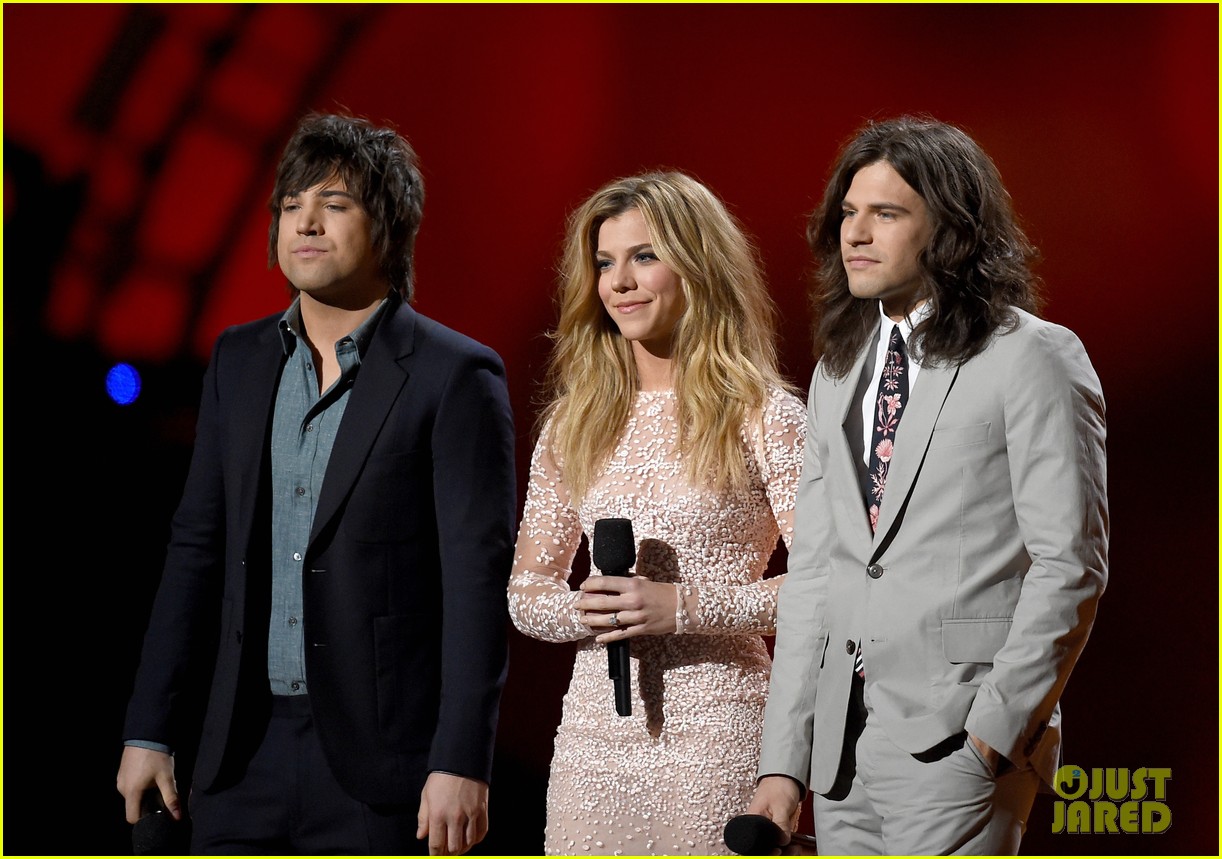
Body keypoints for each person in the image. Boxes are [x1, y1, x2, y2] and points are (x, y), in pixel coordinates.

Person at [115, 112, 517, 855]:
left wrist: (461, 757)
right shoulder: (237, 360)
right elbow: (196, 550)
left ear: (389, 228)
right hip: (237, 754)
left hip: (382, 769)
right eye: (291, 205)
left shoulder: (454, 375)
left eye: (334, 204)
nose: (305, 222)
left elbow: (476, 582)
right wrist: (150, 727)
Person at [746, 115, 1109, 854]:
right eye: (849, 212)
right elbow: (814, 571)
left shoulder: (1033, 357)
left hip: (959, 741)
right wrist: (784, 761)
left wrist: (994, 731)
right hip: (840, 754)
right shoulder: (838, 370)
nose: (855, 233)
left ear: (947, 229)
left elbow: (1071, 563)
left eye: (885, 213)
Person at [508, 171, 806, 855]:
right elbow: (526, 593)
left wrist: (684, 606)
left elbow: (827, 588)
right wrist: (585, 610)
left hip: (718, 729)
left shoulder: (767, 416)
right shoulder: (573, 424)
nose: (620, 282)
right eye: (604, 263)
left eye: (644, 256)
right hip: (592, 739)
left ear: (698, 265)